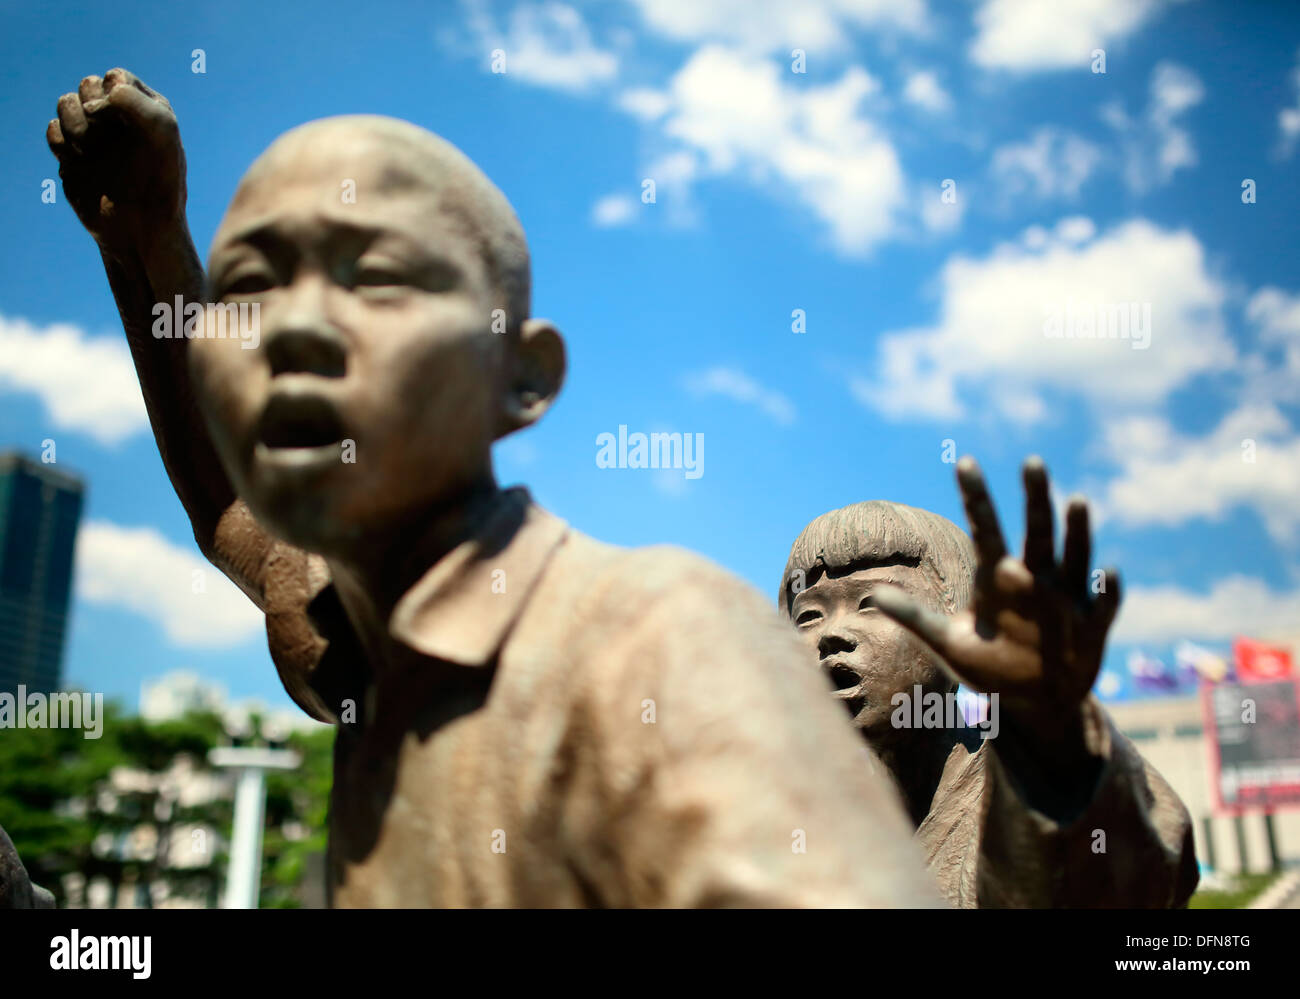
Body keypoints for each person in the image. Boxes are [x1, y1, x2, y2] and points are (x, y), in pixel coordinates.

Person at [44, 69, 938, 908]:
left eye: (375, 278)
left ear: (525, 378)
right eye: (253, 292)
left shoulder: (662, 640)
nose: (296, 332)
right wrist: (147, 248)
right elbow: (230, 507)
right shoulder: (354, 637)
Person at [777, 459, 1200, 907]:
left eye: (872, 603)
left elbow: (1131, 876)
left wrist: (1045, 726)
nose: (831, 635)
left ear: (960, 618)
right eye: (809, 615)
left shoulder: (1024, 775)